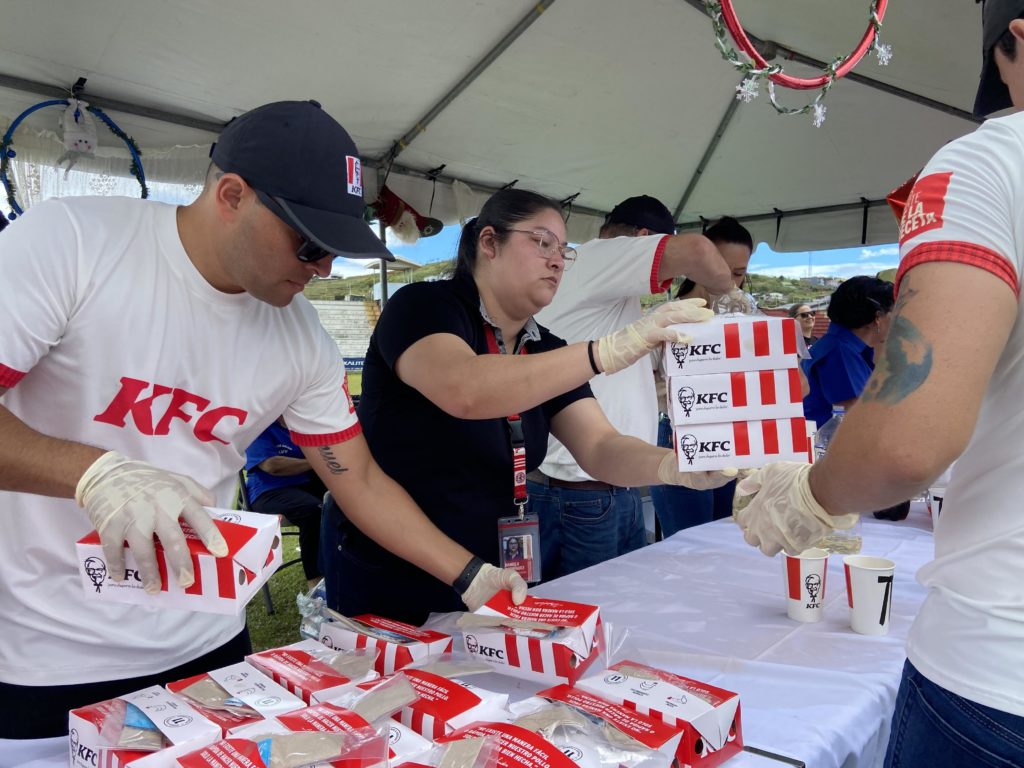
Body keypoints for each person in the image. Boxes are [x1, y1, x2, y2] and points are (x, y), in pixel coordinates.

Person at [0, 100, 520, 739]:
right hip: (50, 658)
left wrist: (470, 576)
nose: (323, 268)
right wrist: (94, 475)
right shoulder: (74, 245)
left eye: (336, 249)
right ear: (231, 195)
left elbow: (356, 479)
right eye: (309, 245)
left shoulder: (299, 335)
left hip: (210, 648)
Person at [733, 4, 1024, 764]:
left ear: (1011, 44)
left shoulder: (992, 161)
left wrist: (809, 498)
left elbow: (904, 439)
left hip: (1003, 667)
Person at [322, 188, 737, 624]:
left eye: (563, 250)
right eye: (542, 242)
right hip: (394, 569)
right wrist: (604, 352)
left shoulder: (544, 347)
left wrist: (676, 465)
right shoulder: (424, 307)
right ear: (489, 243)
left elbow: (600, 447)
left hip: (491, 575)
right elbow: (463, 387)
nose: (557, 260)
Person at [528, 197, 736, 578]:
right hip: (578, 492)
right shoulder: (600, 256)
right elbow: (697, 249)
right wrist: (732, 294)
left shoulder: (612, 298)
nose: (666, 283)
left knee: (619, 608)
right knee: (589, 613)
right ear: (641, 240)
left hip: (609, 488)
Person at [649, 217, 754, 537]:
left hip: (734, 438)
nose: (729, 281)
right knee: (688, 543)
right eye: (721, 268)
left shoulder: (746, 315)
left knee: (726, 538)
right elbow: (640, 382)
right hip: (680, 437)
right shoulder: (668, 318)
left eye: (739, 273)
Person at [801, 276, 894, 428]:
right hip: (829, 446)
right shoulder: (840, 353)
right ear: (877, 317)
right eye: (893, 313)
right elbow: (857, 419)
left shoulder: (839, 346)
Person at [245, 418, 327, 589]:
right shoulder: (259, 427)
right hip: (268, 491)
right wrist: (314, 461)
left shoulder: (301, 425)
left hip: (305, 485)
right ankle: (316, 583)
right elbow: (272, 465)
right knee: (314, 511)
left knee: (342, 503)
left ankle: (345, 567)